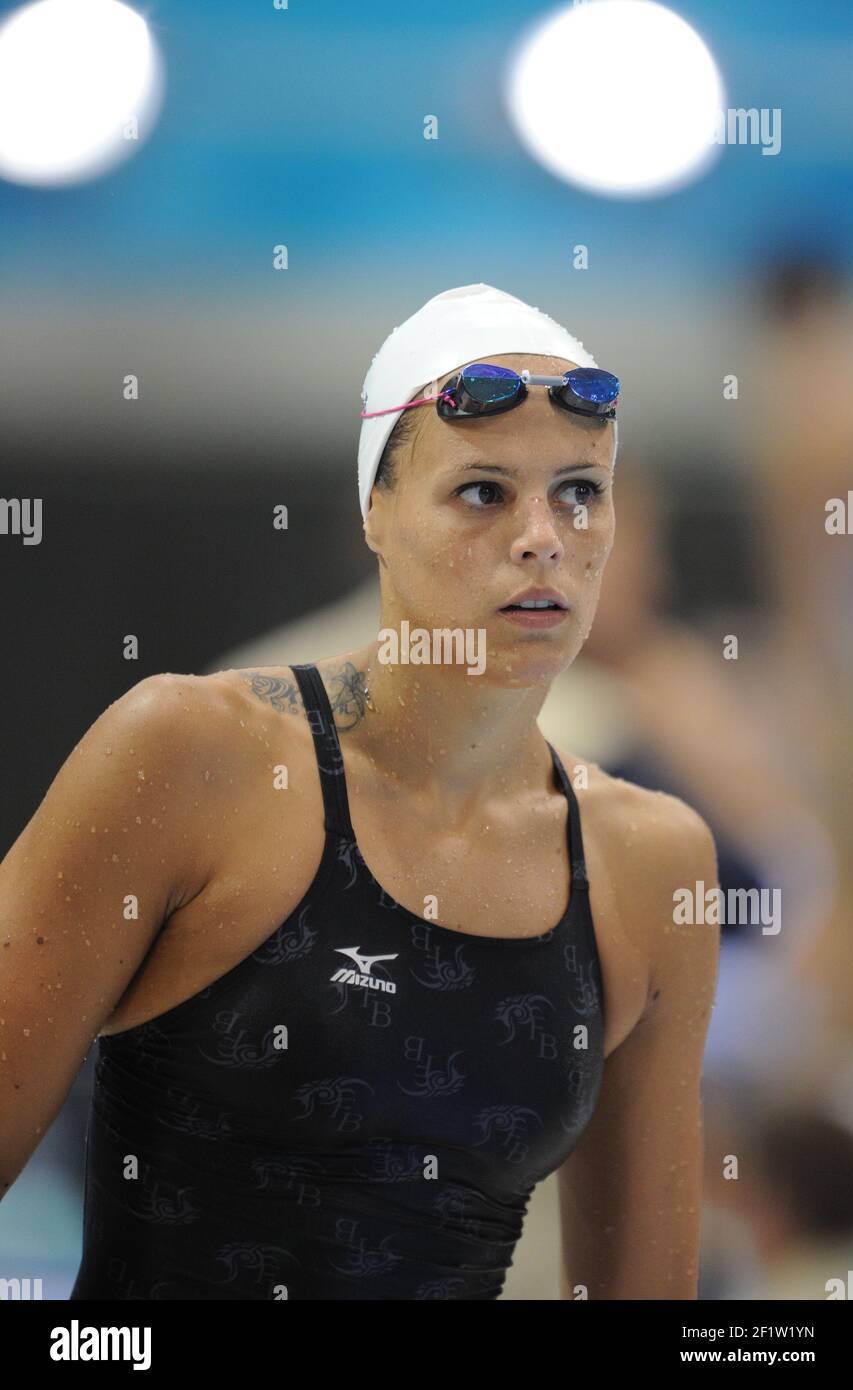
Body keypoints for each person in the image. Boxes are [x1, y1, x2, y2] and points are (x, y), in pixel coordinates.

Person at [0, 284, 719, 1300]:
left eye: (577, 491)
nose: (542, 537)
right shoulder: (196, 756)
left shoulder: (646, 863)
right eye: (481, 491)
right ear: (374, 512)